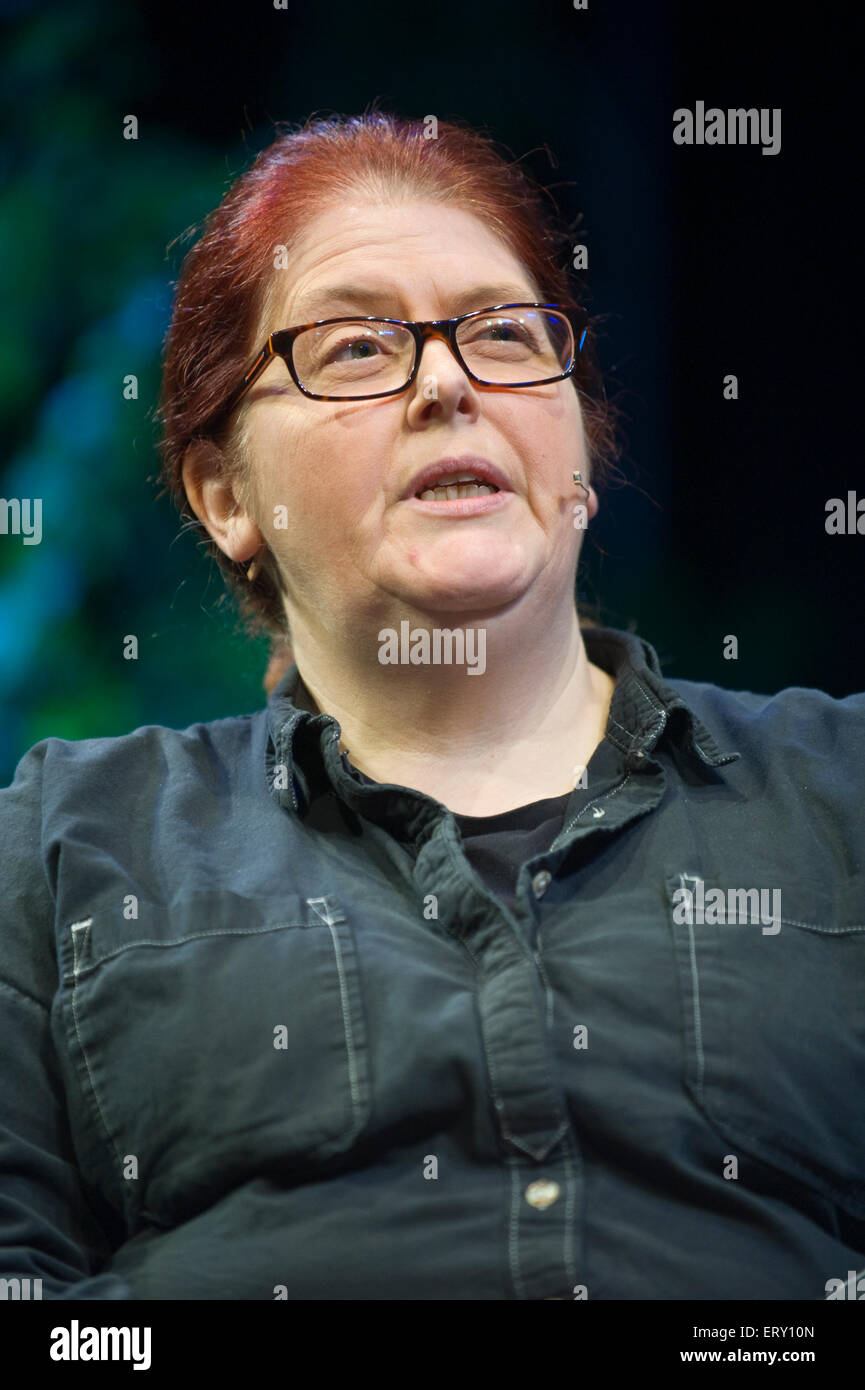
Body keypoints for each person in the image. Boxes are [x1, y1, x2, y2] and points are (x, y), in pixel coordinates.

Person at [1, 112, 863, 1303]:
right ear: (226, 496)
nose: (450, 381)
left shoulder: (841, 793)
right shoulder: (64, 848)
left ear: (577, 446)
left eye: (506, 335)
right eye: (356, 348)